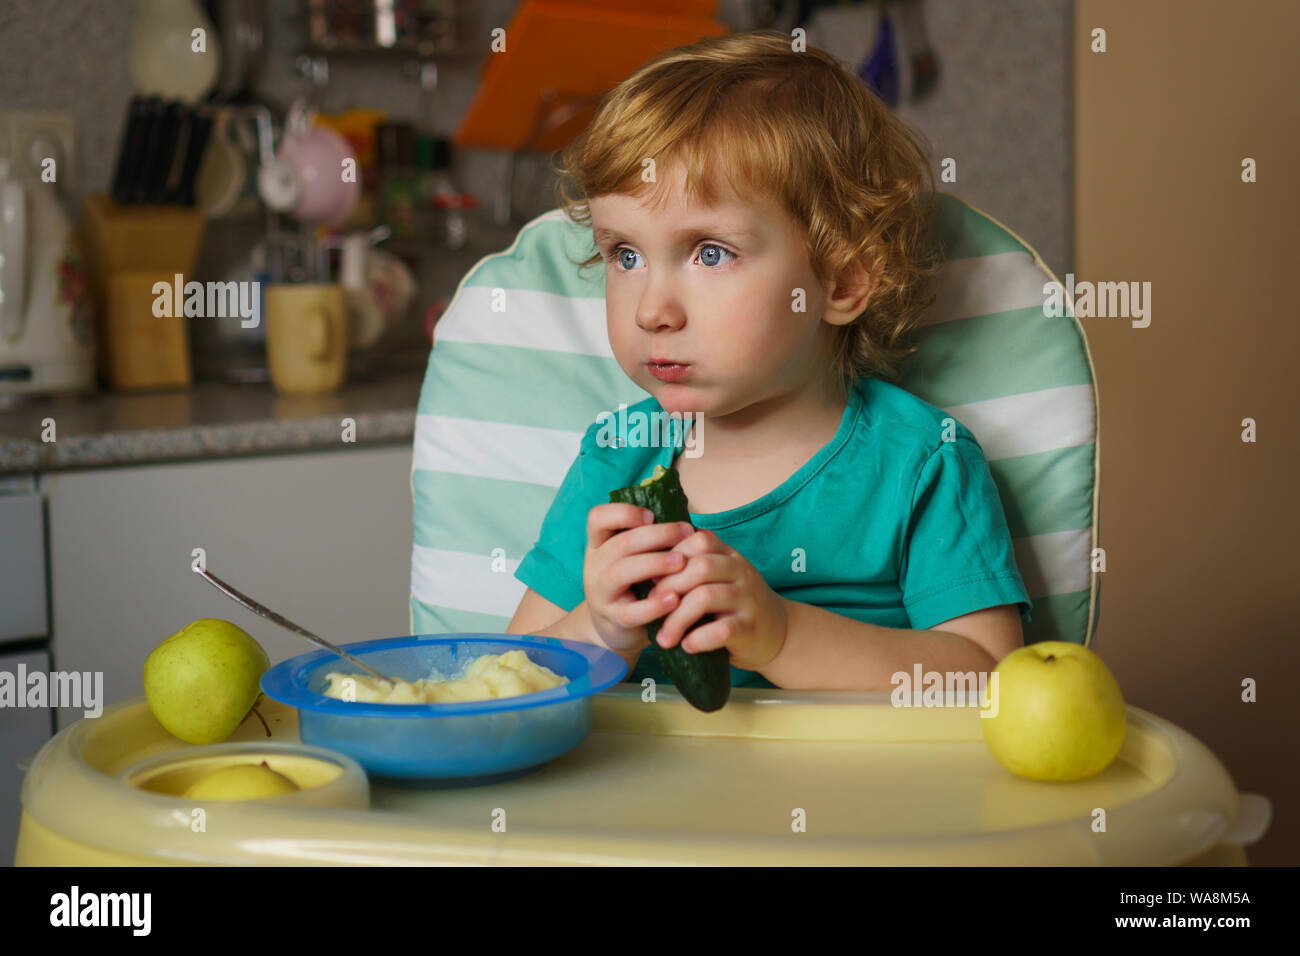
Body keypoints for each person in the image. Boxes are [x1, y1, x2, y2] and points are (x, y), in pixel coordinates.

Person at [507, 31, 1031, 692]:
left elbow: (985, 678)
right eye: (625, 255)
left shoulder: (923, 462)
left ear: (840, 282)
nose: (650, 310)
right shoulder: (618, 457)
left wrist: (781, 634)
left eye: (710, 252)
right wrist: (599, 630)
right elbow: (512, 675)